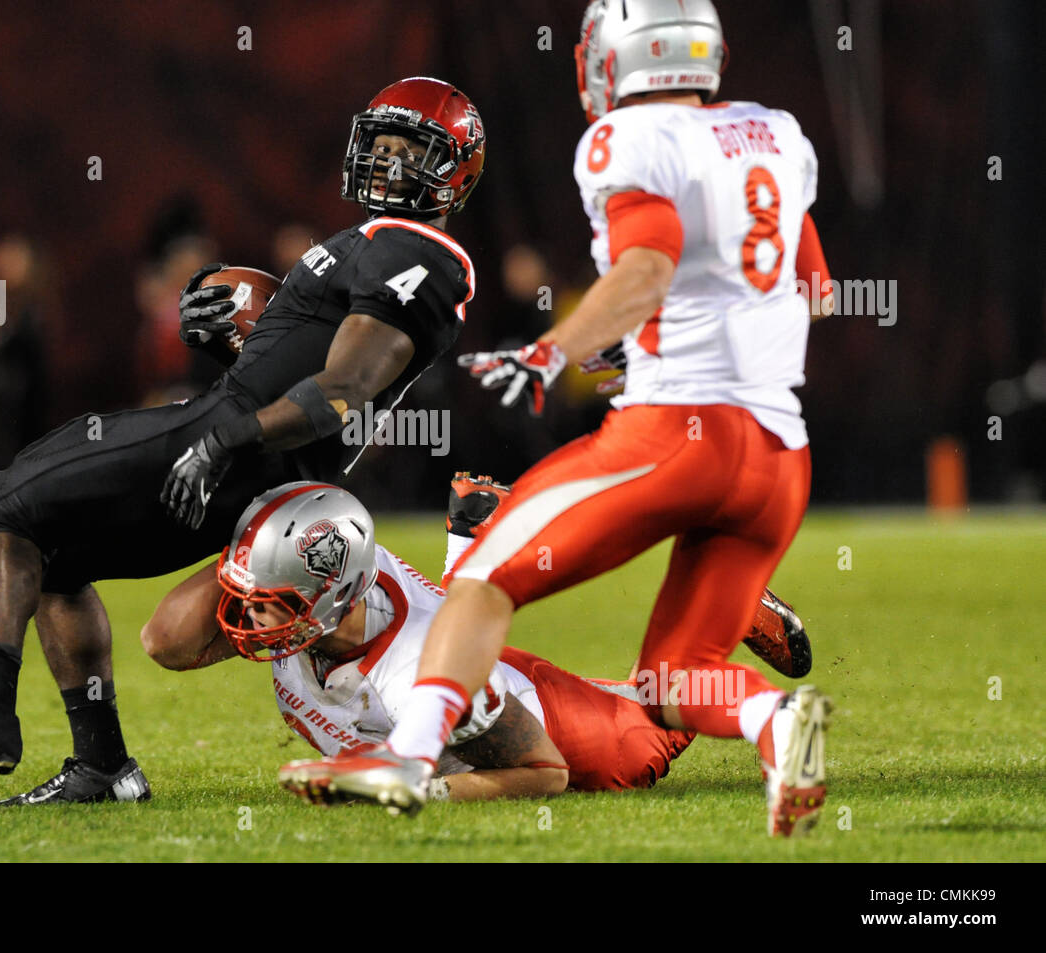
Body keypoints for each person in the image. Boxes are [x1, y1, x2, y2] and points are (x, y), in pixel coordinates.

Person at [279, 0, 837, 837]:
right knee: (677, 676)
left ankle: (409, 757)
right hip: (777, 455)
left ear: (620, 56)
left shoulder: (626, 141)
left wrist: (554, 349)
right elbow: (810, 294)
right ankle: (777, 722)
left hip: (677, 435)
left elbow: (645, 270)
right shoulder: (774, 136)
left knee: (481, 582)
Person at [0, 77, 487, 805]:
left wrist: (230, 433)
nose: (384, 161)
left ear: (454, 169)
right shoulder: (379, 245)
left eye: (407, 148)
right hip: (248, 441)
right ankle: (103, 766)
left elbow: (345, 387)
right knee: (55, 560)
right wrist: (249, 322)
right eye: (378, 144)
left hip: (232, 437)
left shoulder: (416, 251)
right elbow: (313, 359)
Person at [141, 481, 814, 806]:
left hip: (546, 724)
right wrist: (258, 538)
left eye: (269, 604)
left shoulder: (410, 666)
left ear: (329, 598)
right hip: (458, 660)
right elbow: (164, 640)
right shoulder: (326, 594)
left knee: (646, 733)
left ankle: (722, 599)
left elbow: (545, 772)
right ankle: (476, 544)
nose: (248, 623)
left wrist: (414, 790)